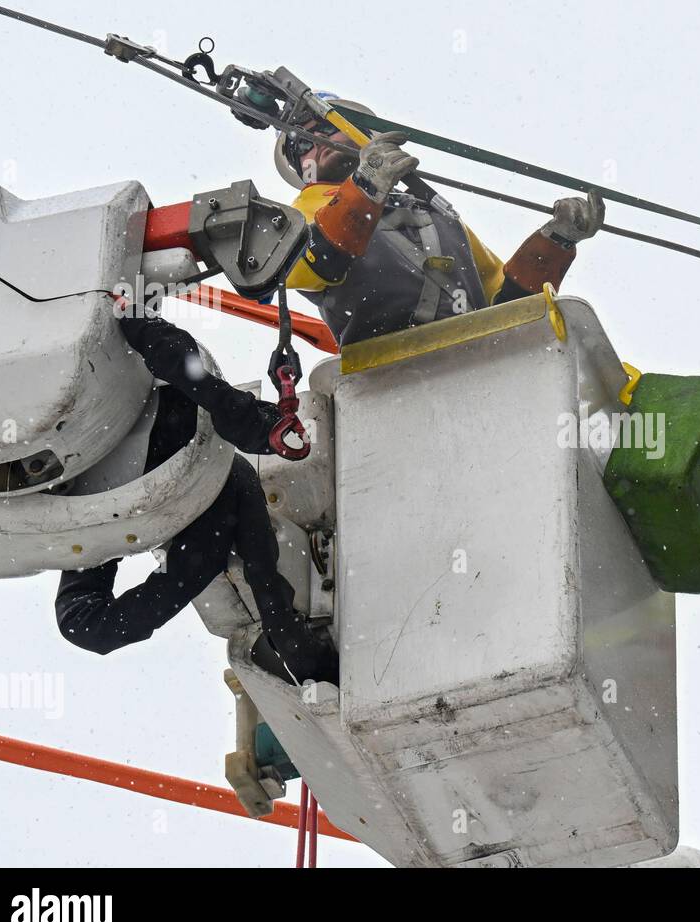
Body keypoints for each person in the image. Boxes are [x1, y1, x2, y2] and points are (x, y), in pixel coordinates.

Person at [54, 307, 339, 686]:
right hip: (173, 497)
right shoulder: (66, 506)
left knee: (277, 617)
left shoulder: (91, 354)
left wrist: (237, 413)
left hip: (200, 468)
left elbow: (157, 339)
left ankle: (309, 660)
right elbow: (81, 619)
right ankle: (308, 661)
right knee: (87, 624)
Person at [273, 95, 604, 345]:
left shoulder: (435, 215)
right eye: (302, 142)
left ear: (363, 136)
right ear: (300, 167)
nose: (316, 143)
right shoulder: (299, 217)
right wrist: (365, 188)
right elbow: (308, 266)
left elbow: (507, 307)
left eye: (330, 127)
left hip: (482, 363)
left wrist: (555, 242)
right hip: (381, 379)